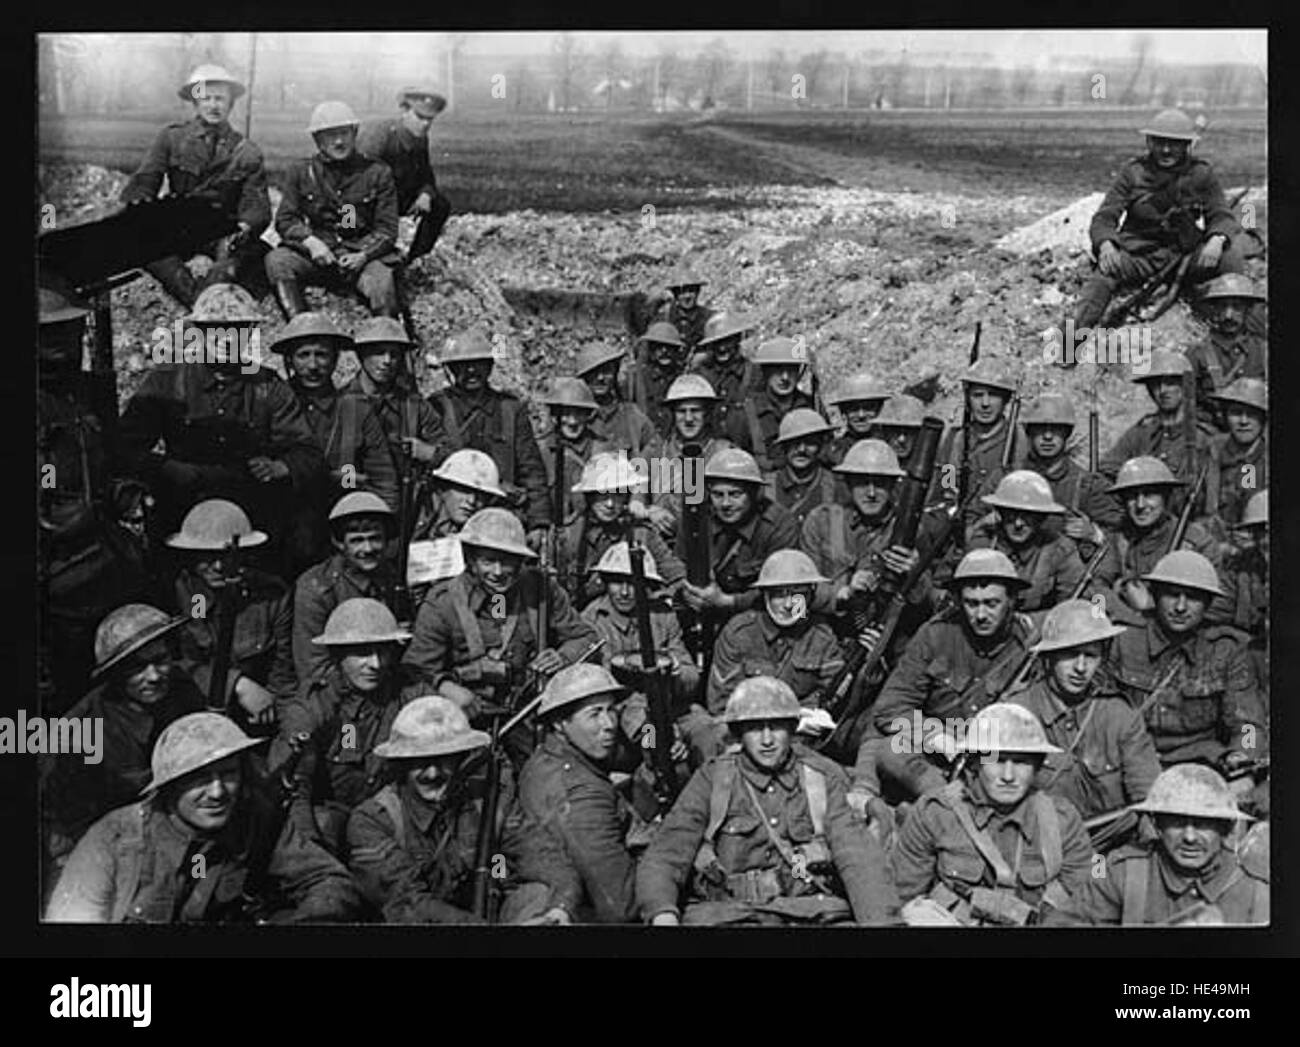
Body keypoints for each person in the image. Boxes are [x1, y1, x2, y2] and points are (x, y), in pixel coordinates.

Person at [47, 712, 362, 923]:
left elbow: (330, 881)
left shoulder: (255, 821)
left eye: (228, 774)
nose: (217, 792)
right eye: (198, 778)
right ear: (169, 787)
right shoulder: (113, 841)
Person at [636, 676, 898, 927]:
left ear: (792, 728)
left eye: (776, 726)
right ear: (739, 732)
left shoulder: (819, 779)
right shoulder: (714, 779)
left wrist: (881, 923)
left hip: (809, 912)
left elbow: (859, 858)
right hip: (730, 914)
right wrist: (662, 914)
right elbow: (667, 854)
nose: (767, 740)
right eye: (754, 728)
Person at [117, 284, 324, 553]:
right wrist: (167, 469)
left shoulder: (266, 385)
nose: (227, 339)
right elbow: (125, 447)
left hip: (249, 513)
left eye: (237, 331)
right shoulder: (168, 379)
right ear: (198, 333)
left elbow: (307, 451)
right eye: (216, 330)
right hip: (183, 511)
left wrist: (280, 467)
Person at [347, 695, 569, 924]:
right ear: (402, 765)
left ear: (461, 760)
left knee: (539, 895)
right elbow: (407, 903)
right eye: (420, 761)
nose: (433, 773)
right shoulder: (373, 820)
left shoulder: (488, 803)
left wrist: (559, 909)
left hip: (482, 924)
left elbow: (544, 856)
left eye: (443, 759)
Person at [39, 287, 155, 706]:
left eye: (70, 333)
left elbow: (107, 467)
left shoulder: (83, 395)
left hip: (100, 553)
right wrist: (55, 512)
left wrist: (125, 494)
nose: (64, 346)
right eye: (51, 335)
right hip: (52, 566)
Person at [851, 548, 1035, 805]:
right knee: (891, 748)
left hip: (997, 754)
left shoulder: (1028, 642)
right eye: (972, 603)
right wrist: (937, 737)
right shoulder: (935, 634)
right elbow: (889, 707)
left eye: (992, 603)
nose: (980, 615)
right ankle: (943, 802)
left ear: (1012, 601)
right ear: (959, 601)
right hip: (938, 751)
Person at [891, 702, 1092, 926]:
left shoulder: (1062, 818)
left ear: (1037, 767)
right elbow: (901, 897)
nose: (1008, 775)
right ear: (974, 763)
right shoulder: (935, 812)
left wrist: (1103, 864)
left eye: (1021, 762)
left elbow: (1093, 882)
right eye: (996, 760)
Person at [41, 605, 205, 871]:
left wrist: (240, 683)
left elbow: (196, 673)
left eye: (160, 660)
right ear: (114, 674)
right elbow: (58, 822)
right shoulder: (78, 732)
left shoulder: (178, 689)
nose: (153, 676)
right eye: (137, 667)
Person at [401, 508, 597, 729]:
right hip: (463, 718)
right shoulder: (443, 604)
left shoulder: (541, 590)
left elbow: (587, 639)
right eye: (488, 561)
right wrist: (447, 688)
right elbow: (414, 674)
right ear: (470, 560)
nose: (498, 572)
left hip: (528, 715)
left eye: (507, 562)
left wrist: (562, 657)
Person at [1072, 108, 1247, 331]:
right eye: (1159, 142)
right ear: (1149, 142)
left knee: (1230, 256)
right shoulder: (1133, 172)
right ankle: (1068, 348)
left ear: (1186, 146)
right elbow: (1104, 218)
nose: (1166, 150)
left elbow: (1221, 214)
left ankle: (1239, 333)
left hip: (1184, 257)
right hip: (1138, 256)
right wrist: (1106, 245)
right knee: (1101, 278)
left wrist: (1216, 239)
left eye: (1174, 143)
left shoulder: (1201, 173)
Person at [274, 598, 423, 855]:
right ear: (337, 655)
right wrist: (312, 848)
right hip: (336, 818)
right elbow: (295, 787)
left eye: (383, 650)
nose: (376, 664)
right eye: (363, 652)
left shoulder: (409, 691)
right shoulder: (316, 704)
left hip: (389, 814)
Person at [119, 64, 271, 306]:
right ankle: (199, 303)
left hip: (223, 231)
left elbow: (257, 207)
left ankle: (209, 297)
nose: (213, 105)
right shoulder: (172, 138)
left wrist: (245, 226)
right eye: (206, 98)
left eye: (220, 99)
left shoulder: (247, 152)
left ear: (231, 104)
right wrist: (139, 212)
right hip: (179, 226)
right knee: (146, 245)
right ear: (195, 102)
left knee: (246, 254)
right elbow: (145, 181)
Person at [1105, 550, 1266, 773]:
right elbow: (1096, 711)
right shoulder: (1124, 640)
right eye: (1172, 594)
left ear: (1208, 604)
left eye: (1192, 597)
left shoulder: (1225, 650)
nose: (1180, 607)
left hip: (1200, 763)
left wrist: (1242, 754)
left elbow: (1248, 725)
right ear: (1155, 595)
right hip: (1130, 759)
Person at [1009, 600, 1160, 834]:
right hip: (1040, 844)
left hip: (1109, 846)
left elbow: (1148, 792)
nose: (1081, 667)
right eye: (1070, 654)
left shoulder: (1119, 715)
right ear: (1048, 657)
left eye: (1090, 656)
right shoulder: (1016, 713)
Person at [516, 663, 641, 923]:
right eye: (594, 714)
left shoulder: (544, 758)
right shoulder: (580, 793)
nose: (609, 724)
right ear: (561, 723)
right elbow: (621, 904)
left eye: (611, 711)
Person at [1068, 764, 1267, 925]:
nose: (1190, 837)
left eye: (1203, 824)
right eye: (1177, 822)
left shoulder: (1253, 887)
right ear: (1157, 825)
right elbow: (1068, 923)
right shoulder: (1122, 871)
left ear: (1226, 828)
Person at [582, 542, 721, 768]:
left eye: (632, 583)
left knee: (713, 735)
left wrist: (672, 668)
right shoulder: (592, 621)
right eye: (617, 582)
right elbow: (608, 692)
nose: (625, 592)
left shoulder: (663, 616)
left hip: (674, 706)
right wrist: (660, 726)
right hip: (627, 716)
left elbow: (690, 677)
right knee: (655, 745)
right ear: (605, 582)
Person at [277, 312, 398, 571]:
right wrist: (343, 476)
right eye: (303, 355)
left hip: (341, 526)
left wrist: (389, 538)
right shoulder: (274, 403)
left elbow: (384, 479)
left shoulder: (355, 409)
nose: (313, 365)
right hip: (283, 523)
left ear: (335, 360)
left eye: (321, 355)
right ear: (289, 360)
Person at [165, 498, 293, 732]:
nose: (216, 566)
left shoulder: (270, 597)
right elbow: (178, 665)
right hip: (198, 711)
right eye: (205, 556)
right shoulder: (185, 594)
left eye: (225, 556)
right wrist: (237, 685)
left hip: (259, 714)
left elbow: (283, 672)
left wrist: (272, 711)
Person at [265, 101, 399, 318]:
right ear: (317, 139)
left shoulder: (377, 173)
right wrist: (311, 243)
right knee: (277, 260)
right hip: (320, 258)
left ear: (354, 134)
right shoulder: (300, 172)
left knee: (382, 281)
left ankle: (386, 340)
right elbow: (286, 219)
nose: (339, 141)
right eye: (330, 135)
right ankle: (301, 328)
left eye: (345, 133)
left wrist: (363, 256)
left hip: (361, 259)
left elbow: (387, 230)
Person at [427, 328, 551, 539]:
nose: (472, 371)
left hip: (500, 515)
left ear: (490, 366)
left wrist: (538, 522)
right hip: (450, 519)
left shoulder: (511, 409)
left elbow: (532, 470)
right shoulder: (436, 407)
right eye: (463, 366)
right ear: (451, 369)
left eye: (479, 364)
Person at [706, 550, 845, 725]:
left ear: (811, 596)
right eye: (779, 594)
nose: (788, 604)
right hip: (749, 733)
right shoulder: (739, 634)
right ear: (764, 596)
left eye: (797, 595)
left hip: (805, 734)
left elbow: (832, 693)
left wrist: (807, 716)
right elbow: (721, 705)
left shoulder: (820, 636)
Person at [677, 448, 800, 627]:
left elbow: (786, 591)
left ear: (754, 494)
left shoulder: (779, 524)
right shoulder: (695, 519)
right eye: (718, 495)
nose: (726, 504)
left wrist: (728, 602)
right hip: (703, 615)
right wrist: (686, 591)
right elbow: (678, 562)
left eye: (735, 494)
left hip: (761, 615)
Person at [1094, 456, 1224, 626]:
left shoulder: (1197, 543)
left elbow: (1217, 606)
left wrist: (1154, 606)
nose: (1140, 505)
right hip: (1128, 631)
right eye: (1132, 496)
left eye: (1149, 494)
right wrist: (1123, 613)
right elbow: (1095, 591)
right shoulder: (1118, 539)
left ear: (1166, 497)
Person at [292, 492, 399, 684]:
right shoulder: (316, 588)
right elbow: (314, 666)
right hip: (335, 691)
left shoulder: (393, 579)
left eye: (375, 538)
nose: (368, 549)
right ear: (339, 543)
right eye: (357, 540)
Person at [561, 452, 684, 611]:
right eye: (602, 494)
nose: (610, 504)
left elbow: (678, 577)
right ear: (589, 496)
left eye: (618, 494)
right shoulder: (567, 536)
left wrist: (659, 599)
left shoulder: (642, 535)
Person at [1099, 350, 1213, 513]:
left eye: (1171, 383)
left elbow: (1237, 482)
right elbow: (1106, 471)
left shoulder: (1205, 437)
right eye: (1155, 384)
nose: (1162, 390)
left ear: (1187, 385)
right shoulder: (1142, 432)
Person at [966, 470, 1091, 616]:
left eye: (1028, 515)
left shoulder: (1060, 549)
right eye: (1011, 514)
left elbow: (1073, 606)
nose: (1018, 524)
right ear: (1000, 514)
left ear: (1041, 518)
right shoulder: (982, 545)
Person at [356, 87, 452, 264]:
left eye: (429, 119)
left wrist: (425, 194)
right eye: (420, 117)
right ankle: (370, 254)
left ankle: (415, 260)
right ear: (405, 111)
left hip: (395, 198)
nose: (425, 124)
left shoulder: (420, 138)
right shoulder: (380, 135)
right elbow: (358, 178)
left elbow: (426, 175)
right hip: (368, 200)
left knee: (439, 205)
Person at [1016, 392, 1121, 534]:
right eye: (1040, 429)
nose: (1048, 437)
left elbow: (1118, 531)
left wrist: (1093, 532)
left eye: (1056, 429)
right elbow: (977, 520)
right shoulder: (1008, 477)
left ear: (1067, 433)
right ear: (1030, 432)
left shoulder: (1088, 486)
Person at [936, 357, 1019, 528]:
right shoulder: (954, 439)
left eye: (993, 395)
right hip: (957, 523)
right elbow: (947, 484)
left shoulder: (1017, 438)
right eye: (978, 395)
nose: (985, 404)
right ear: (968, 399)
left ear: (1005, 400)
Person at [1185, 274, 1267, 431]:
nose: (1229, 315)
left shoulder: (1262, 350)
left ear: (1248, 309)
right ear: (1214, 309)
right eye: (1223, 306)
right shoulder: (1196, 354)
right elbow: (1185, 407)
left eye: (1236, 307)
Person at [723, 337, 816, 473]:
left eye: (791, 369)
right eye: (777, 369)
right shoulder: (744, 412)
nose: (785, 377)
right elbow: (733, 462)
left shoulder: (812, 407)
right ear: (765, 371)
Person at [574, 342, 658, 458]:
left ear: (615, 373)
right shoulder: (573, 417)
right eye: (593, 373)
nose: (600, 378)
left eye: (606, 371)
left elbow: (655, 451)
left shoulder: (632, 416)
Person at [1203, 378, 1266, 528]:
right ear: (1225, 416)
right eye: (1236, 413)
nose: (1243, 421)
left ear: (1263, 418)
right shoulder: (1213, 451)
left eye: (1251, 414)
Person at [767, 409, 838, 528]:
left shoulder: (834, 485)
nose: (801, 449)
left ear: (820, 445)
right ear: (784, 447)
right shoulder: (767, 487)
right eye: (794, 443)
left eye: (810, 442)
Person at [690, 312, 755, 434]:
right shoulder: (700, 376)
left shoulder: (753, 373)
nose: (722, 348)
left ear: (737, 340)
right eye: (717, 343)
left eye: (727, 341)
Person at [628, 321, 689, 436]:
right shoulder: (636, 377)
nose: (664, 351)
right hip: (642, 444)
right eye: (659, 347)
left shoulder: (683, 378)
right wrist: (623, 454)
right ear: (651, 350)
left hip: (672, 444)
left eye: (669, 347)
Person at [824, 374, 891, 466]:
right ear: (844, 412)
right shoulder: (835, 451)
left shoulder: (890, 447)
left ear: (878, 410)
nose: (861, 415)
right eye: (853, 409)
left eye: (868, 408)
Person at [654, 265, 713, 355]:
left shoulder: (708, 317)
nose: (687, 296)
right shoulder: (665, 318)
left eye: (691, 291)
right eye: (682, 292)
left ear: (698, 292)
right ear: (675, 295)